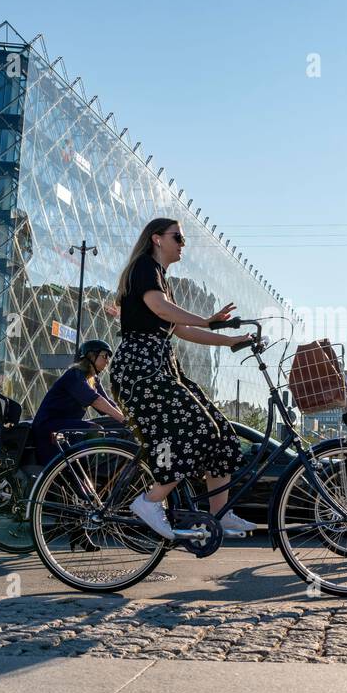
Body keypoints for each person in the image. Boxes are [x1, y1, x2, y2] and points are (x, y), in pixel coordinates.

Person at [109, 218, 256, 540]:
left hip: (161, 365)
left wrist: (232, 341)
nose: (183, 243)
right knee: (198, 429)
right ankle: (149, 501)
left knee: (223, 435)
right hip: (139, 369)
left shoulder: (161, 278)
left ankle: (219, 515)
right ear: (157, 239)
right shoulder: (144, 267)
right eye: (178, 237)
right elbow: (160, 309)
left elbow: (182, 330)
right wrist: (209, 320)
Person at [30, 339, 126, 466]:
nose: (108, 361)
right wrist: (123, 420)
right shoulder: (75, 375)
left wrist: (128, 418)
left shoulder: (93, 380)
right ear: (91, 356)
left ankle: (87, 473)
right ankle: (91, 470)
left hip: (65, 426)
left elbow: (107, 403)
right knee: (95, 429)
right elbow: (96, 400)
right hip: (49, 426)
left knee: (104, 431)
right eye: (105, 356)